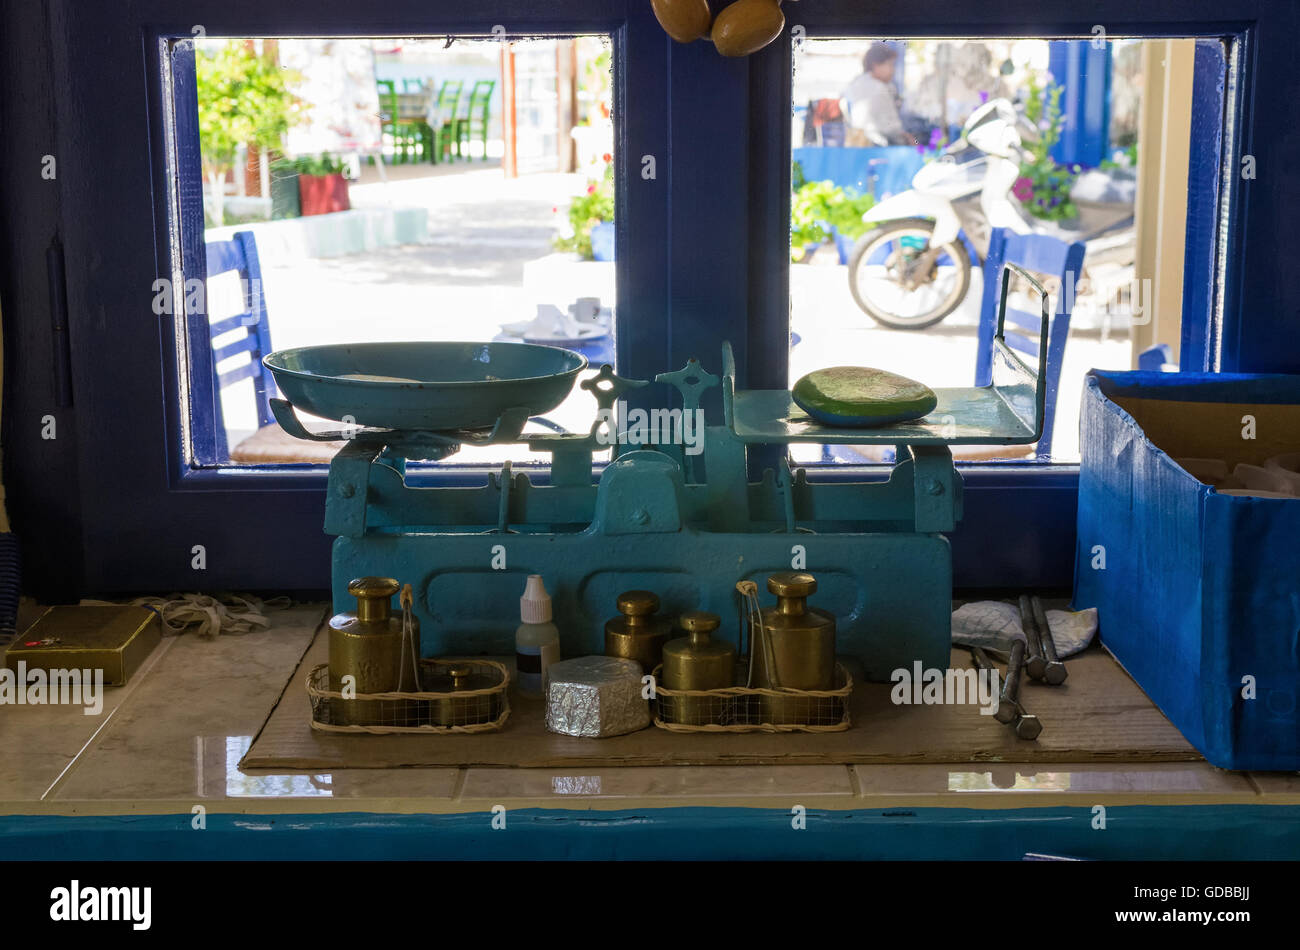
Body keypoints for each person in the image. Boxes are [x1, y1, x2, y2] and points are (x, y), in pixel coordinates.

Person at [842, 43, 916, 147]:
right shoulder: (879, 88)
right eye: (890, 65)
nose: (893, 70)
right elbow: (891, 128)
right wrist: (908, 138)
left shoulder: (856, 83)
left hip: (855, 143)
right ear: (875, 65)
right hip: (877, 146)